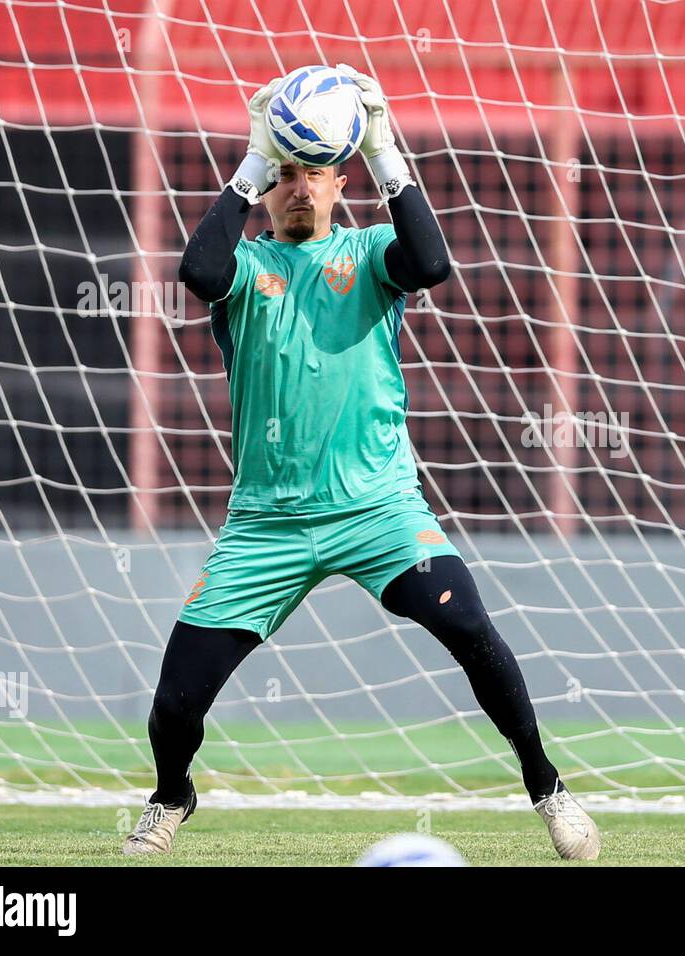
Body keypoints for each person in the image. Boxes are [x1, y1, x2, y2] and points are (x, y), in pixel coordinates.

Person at [121, 66, 599, 861]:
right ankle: (173, 796)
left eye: (311, 173)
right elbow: (198, 273)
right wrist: (251, 159)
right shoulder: (247, 271)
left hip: (378, 509)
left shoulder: (373, 250)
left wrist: (383, 147)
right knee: (175, 704)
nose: (298, 188)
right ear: (266, 189)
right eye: (284, 176)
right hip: (267, 525)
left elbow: (432, 262)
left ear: (339, 181)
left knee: (470, 630)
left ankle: (547, 786)